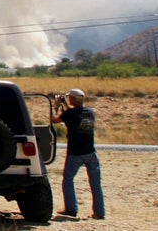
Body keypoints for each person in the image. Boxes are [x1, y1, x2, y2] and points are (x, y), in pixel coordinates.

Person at [52, 88, 105, 219]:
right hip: (90, 152)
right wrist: (65, 106)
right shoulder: (90, 112)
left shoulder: (70, 113)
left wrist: (56, 106)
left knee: (68, 179)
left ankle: (71, 209)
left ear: (73, 99)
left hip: (75, 152)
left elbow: (54, 120)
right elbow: (73, 115)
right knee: (95, 183)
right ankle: (99, 212)